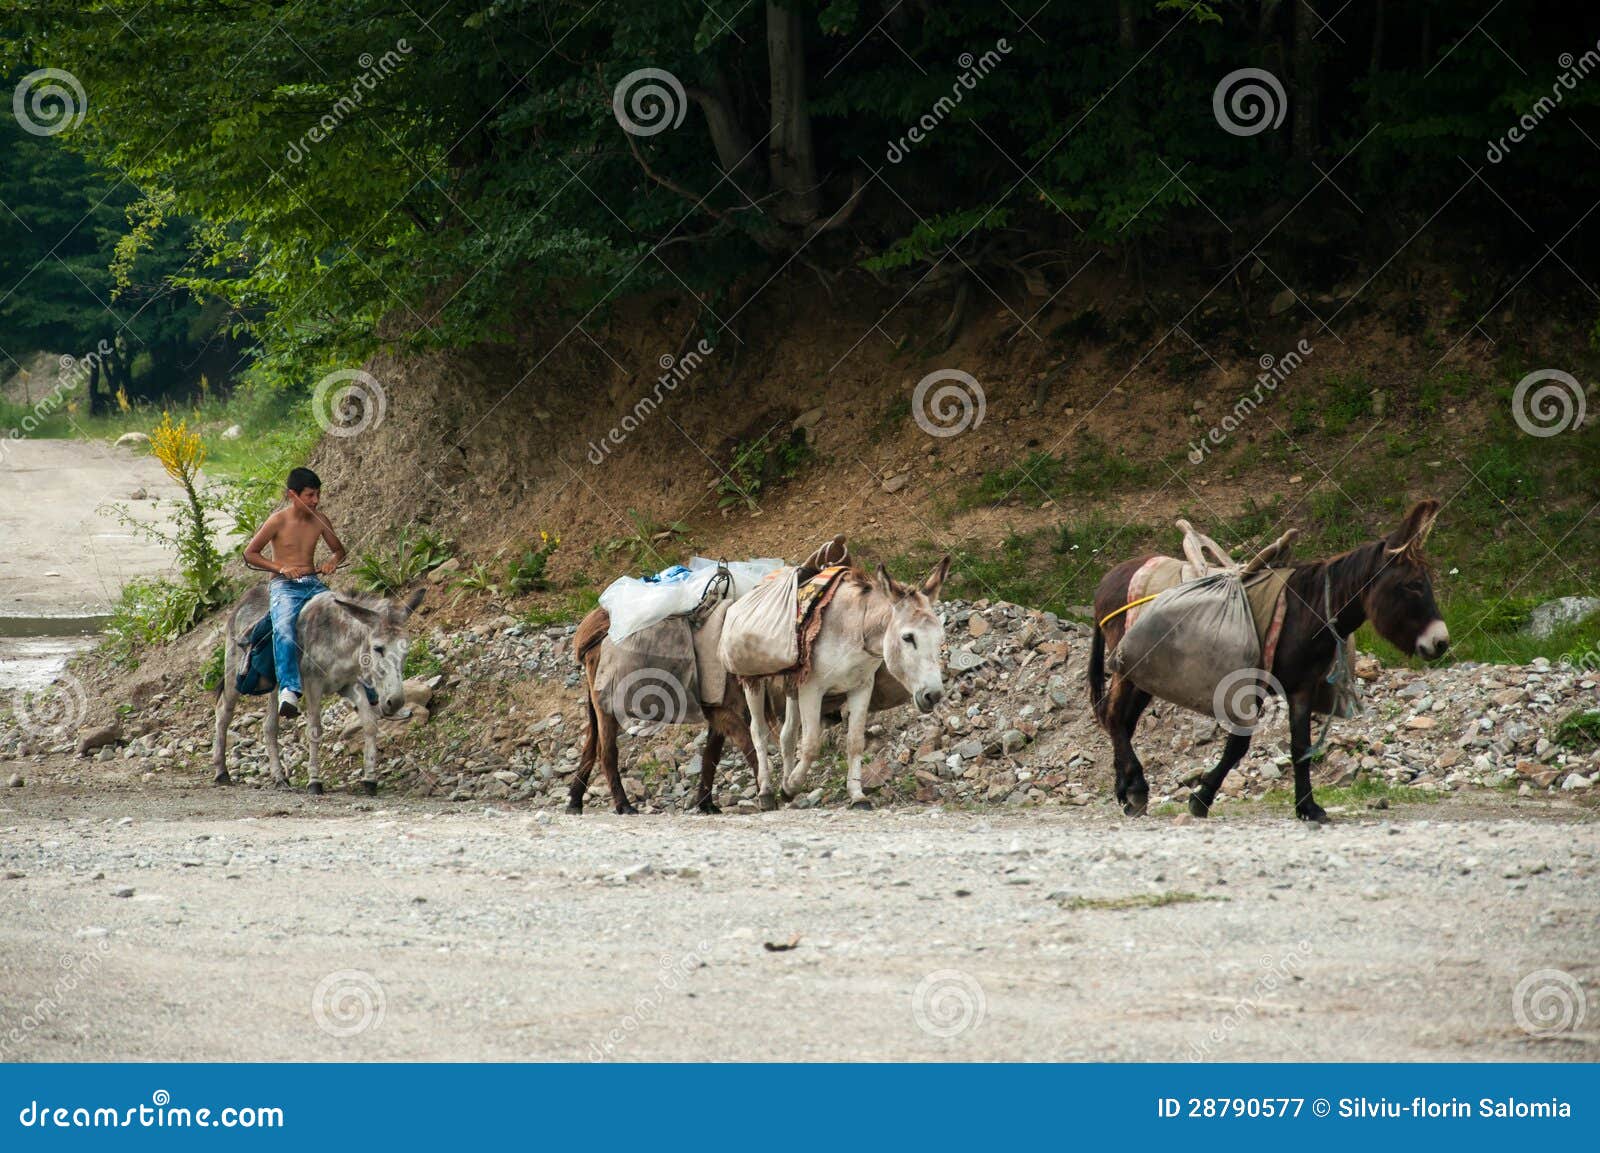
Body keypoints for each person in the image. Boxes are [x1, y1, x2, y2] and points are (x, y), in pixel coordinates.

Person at [242, 467, 347, 718]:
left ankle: (361, 682)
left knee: (345, 619)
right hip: (284, 585)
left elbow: (339, 550)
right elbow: (250, 553)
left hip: (312, 583)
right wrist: (281, 568)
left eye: (318, 494)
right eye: (310, 495)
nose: (315, 500)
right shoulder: (278, 520)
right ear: (293, 495)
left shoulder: (320, 520)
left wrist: (332, 562)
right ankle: (289, 689)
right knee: (284, 627)